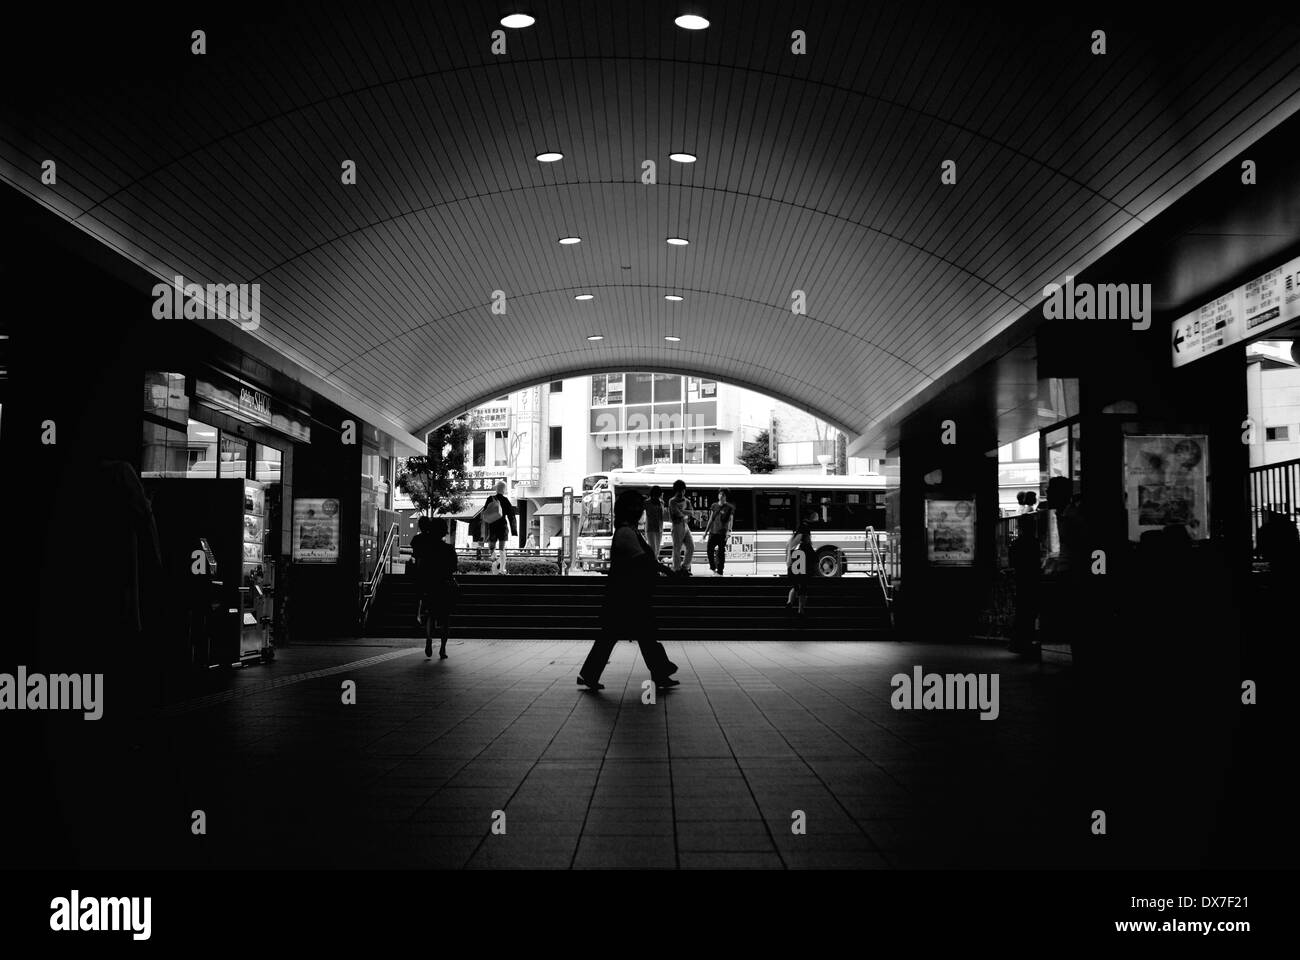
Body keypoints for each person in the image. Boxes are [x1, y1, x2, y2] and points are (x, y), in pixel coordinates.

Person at [578, 491, 679, 691]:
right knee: (639, 635)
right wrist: (664, 570)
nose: (642, 511)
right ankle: (660, 671)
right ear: (631, 511)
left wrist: (663, 570)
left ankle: (590, 674)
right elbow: (641, 559)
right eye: (639, 508)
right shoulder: (626, 533)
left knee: (620, 636)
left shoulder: (629, 531)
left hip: (625, 596)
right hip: (627, 598)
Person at [410, 517, 458, 659]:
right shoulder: (448, 548)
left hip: (430, 585)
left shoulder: (427, 549)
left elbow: (421, 564)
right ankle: (442, 649)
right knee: (445, 618)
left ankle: (429, 640)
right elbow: (453, 567)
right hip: (445, 586)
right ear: (444, 532)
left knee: (430, 614)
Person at [481, 481, 517, 573]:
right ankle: (502, 569)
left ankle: (495, 562)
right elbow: (511, 516)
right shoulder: (505, 500)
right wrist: (514, 530)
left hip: (492, 526)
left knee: (491, 548)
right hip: (503, 527)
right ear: (504, 490)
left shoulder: (490, 499)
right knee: (502, 548)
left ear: (496, 489)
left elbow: (485, 514)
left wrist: (484, 531)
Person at [785, 512, 815, 615]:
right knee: (803, 588)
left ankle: (789, 602)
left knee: (795, 586)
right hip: (803, 567)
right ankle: (800, 610)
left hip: (795, 567)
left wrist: (788, 562)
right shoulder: (805, 545)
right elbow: (813, 558)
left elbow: (789, 553)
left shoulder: (792, 543)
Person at [705, 488, 735, 575]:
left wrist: (729, 531)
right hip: (713, 532)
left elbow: (730, 520)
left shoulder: (729, 507)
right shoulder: (714, 506)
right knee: (709, 550)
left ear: (726, 497)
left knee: (721, 553)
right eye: (720, 494)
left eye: (723, 495)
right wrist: (705, 532)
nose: (721, 496)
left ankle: (720, 571)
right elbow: (711, 519)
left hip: (722, 534)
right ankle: (713, 567)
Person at [668, 479, 695, 575]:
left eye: (683, 490)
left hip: (685, 526)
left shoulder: (687, 500)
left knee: (691, 546)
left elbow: (691, 512)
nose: (682, 493)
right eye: (680, 491)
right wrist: (685, 513)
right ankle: (676, 569)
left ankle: (685, 567)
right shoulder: (672, 501)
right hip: (676, 526)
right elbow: (677, 514)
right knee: (677, 548)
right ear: (676, 491)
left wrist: (683, 512)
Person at [645, 485, 666, 562]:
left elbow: (662, 515)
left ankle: (653, 566)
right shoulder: (647, 503)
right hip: (650, 528)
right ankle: (653, 567)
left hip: (659, 528)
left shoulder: (661, 502)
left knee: (657, 549)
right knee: (652, 548)